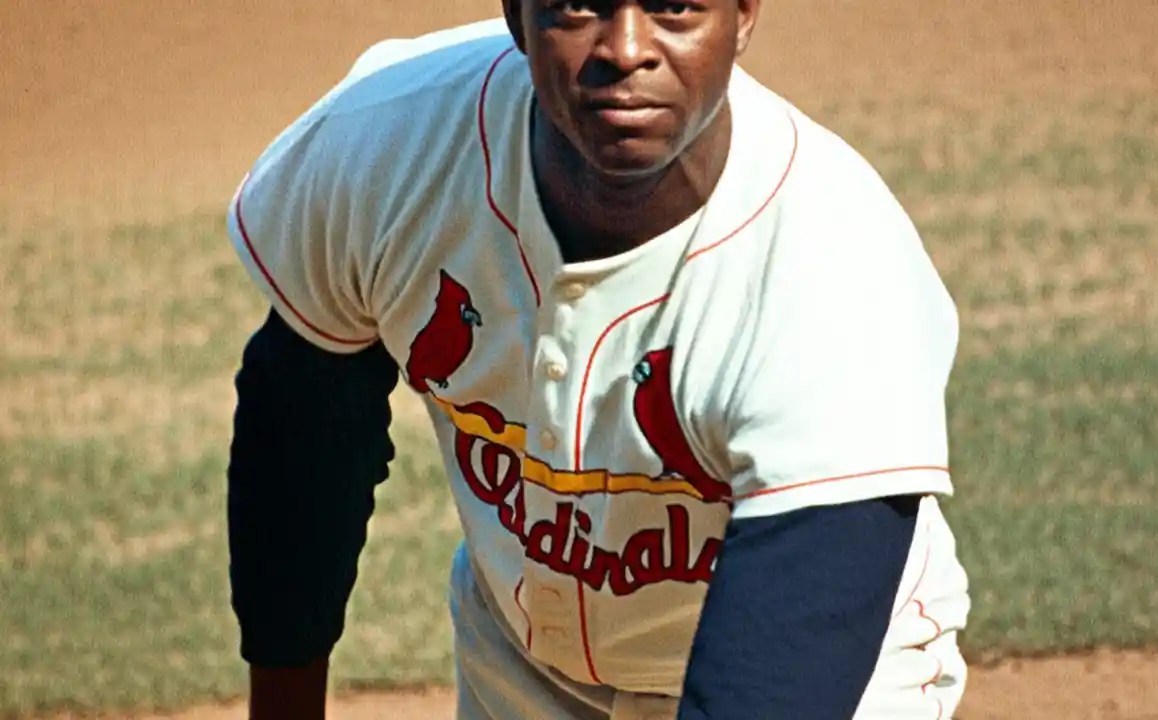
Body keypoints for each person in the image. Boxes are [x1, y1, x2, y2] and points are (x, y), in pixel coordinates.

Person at [225, 2, 971, 718]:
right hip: (520, 666)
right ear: (518, 13)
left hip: (834, 673)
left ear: (743, 14)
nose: (625, 49)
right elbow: (299, 454)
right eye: (580, 5)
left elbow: (778, 677)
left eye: (675, 6)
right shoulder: (389, 146)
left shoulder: (832, 272)